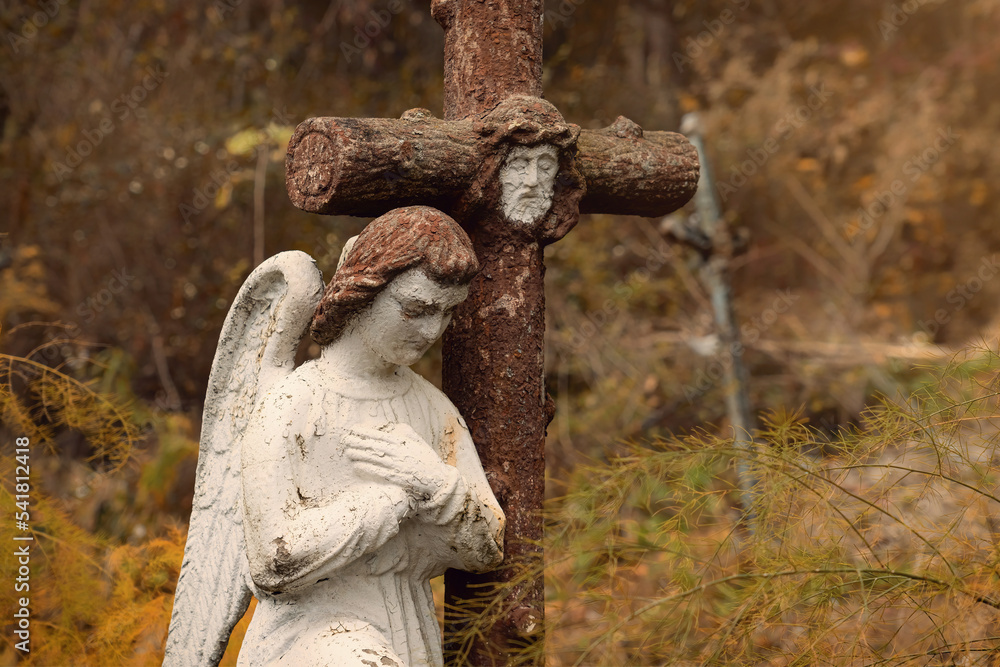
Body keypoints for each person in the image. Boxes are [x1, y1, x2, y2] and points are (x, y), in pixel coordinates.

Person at [237, 206, 505, 667]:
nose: (431, 330)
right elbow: (270, 563)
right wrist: (386, 503)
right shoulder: (292, 403)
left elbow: (488, 549)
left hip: (408, 627)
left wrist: (435, 485)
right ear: (362, 293)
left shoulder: (431, 407)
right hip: (311, 634)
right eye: (416, 309)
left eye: (445, 313)